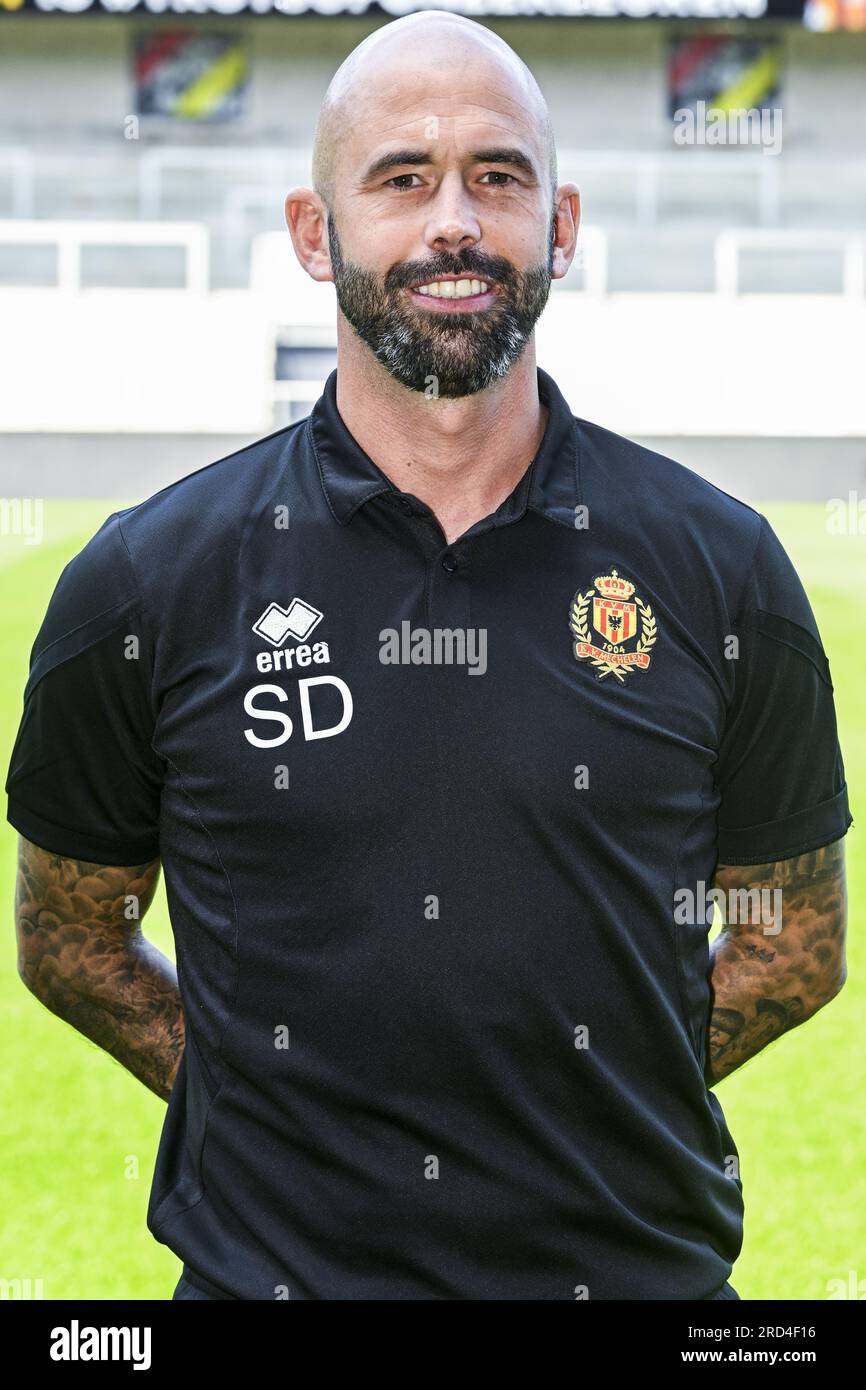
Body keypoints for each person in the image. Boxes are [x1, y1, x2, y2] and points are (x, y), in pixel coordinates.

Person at [6, 12, 852, 1301]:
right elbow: (74, 937)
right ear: (313, 231)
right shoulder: (145, 582)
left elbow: (791, 940)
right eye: (402, 177)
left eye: (498, 178)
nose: (453, 220)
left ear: (559, 227)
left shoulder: (722, 571)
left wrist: (579, 1097)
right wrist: (287, 1112)